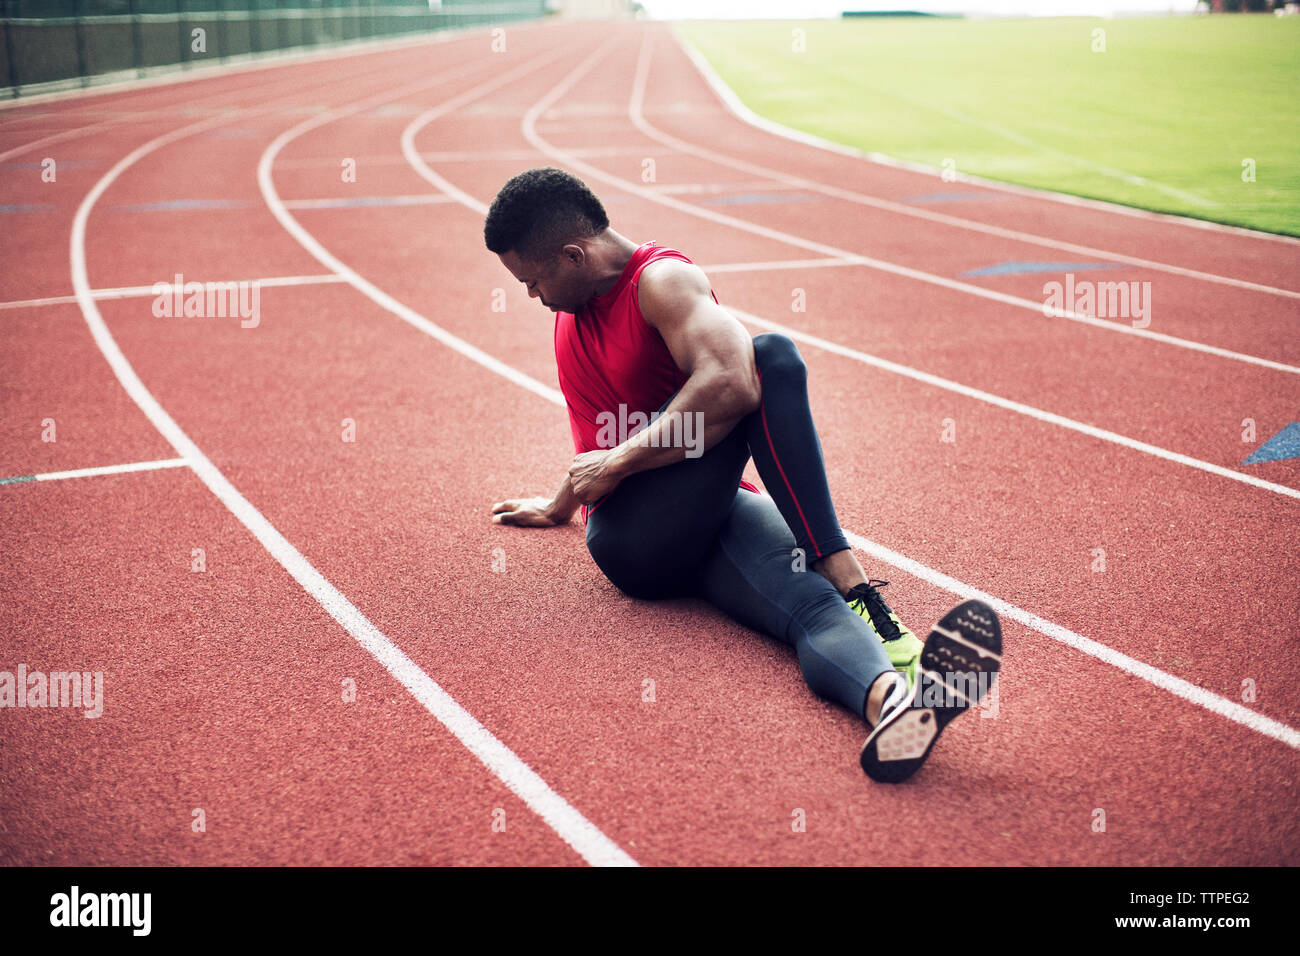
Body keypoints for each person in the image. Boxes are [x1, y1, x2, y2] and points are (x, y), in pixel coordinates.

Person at [485, 167, 1001, 782]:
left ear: (574, 255)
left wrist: (612, 464)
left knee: (811, 611)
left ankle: (891, 705)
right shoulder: (581, 304)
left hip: (713, 513)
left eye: (533, 280)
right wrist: (559, 504)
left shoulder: (663, 283)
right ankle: (851, 576)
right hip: (633, 539)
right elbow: (607, 434)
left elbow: (720, 386)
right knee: (771, 360)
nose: (533, 296)